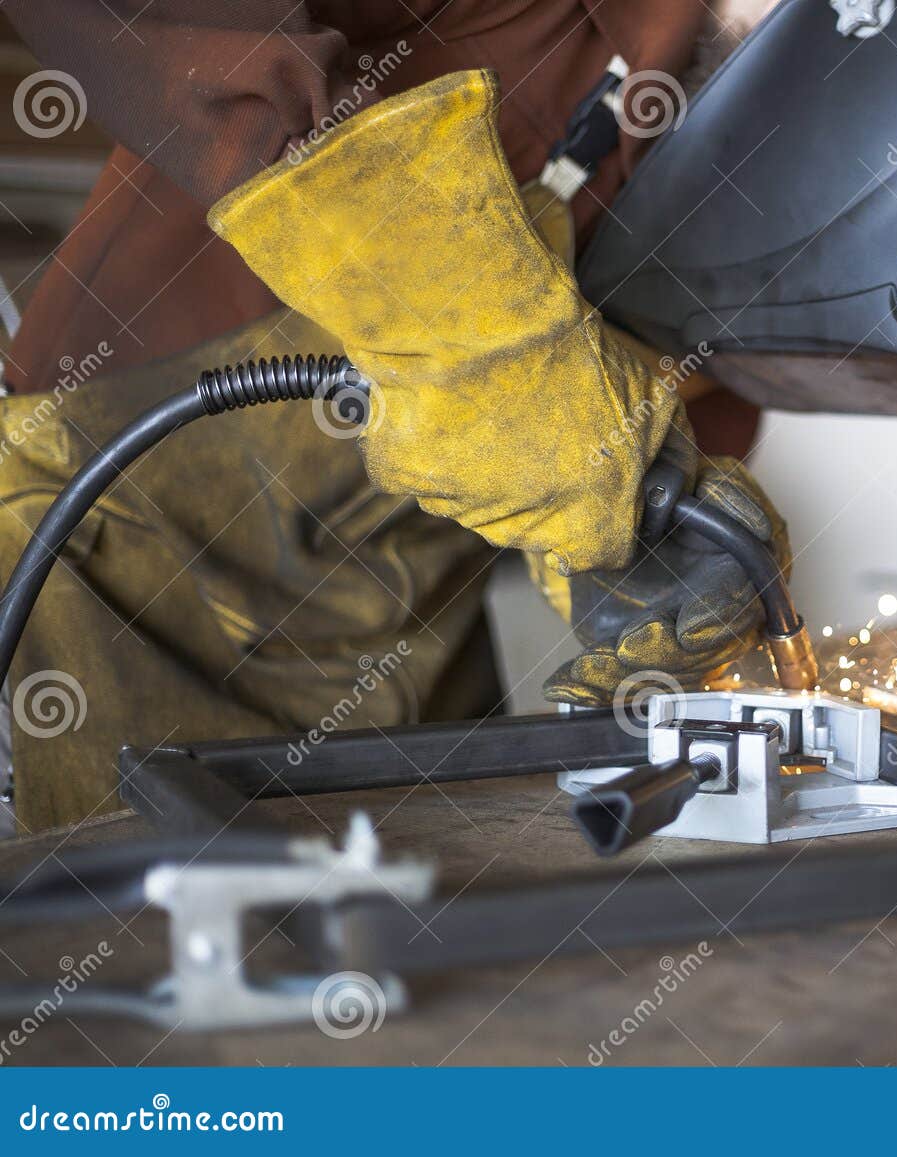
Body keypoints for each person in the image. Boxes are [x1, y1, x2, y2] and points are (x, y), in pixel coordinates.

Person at [0, 0, 789, 831]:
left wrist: (629, 543)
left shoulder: (724, 125)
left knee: (452, 938)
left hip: (417, 663)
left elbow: (636, 411)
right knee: (162, 931)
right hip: (125, 562)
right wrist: (452, 319)